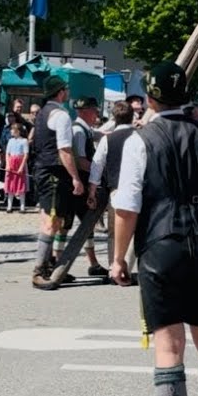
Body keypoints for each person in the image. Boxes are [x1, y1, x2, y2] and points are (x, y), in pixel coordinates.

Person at [109, 61, 198, 396]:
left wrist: (119, 258)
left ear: (150, 99)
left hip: (160, 246)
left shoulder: (141, 140)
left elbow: (127, 207)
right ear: (185, 95)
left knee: (169, 346)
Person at [30, 77, 82, 290]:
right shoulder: (60, 115)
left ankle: (50, 265)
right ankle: (38, 271)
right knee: (51, 222)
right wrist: (76, 177)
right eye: (66, 89)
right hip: (53, 172)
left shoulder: (42, 112)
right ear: (61, 92)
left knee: (53, 220)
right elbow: (64, 150)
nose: (68, 92)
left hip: (42, 170)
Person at [89, 101, 136, 275]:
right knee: (136, 231)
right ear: (132, 116)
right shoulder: (140, 136)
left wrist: (92, 190)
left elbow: (97, 166)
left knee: (114, 232)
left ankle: (113, 267)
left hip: (116, 189)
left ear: (114, 118)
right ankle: (129, 267)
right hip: (138, 189)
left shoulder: (107, 140)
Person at [67, 97, 105, 276]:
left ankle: (93, 263)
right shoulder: (79, 131)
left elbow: (101, 135)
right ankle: (57, 262)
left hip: (81, 182)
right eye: (94, 111)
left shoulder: (86, 129)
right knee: (67, 224)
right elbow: (81, 161)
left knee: (87, 223)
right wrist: (99, 171)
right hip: (77, 183)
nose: (96, 114)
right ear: (85, 111)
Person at [3, 122, 29, 213]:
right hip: (11, 163)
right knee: (10, 184)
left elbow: (25, 155)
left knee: (21, 184)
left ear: (18, 131)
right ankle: (9, 206)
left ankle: (22, 206)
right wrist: (8, 164)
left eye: (13, 129)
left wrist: (21, 167)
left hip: (19, 162)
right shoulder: (10, 141)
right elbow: (7, 154)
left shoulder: (24, 141)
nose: (11, 131)